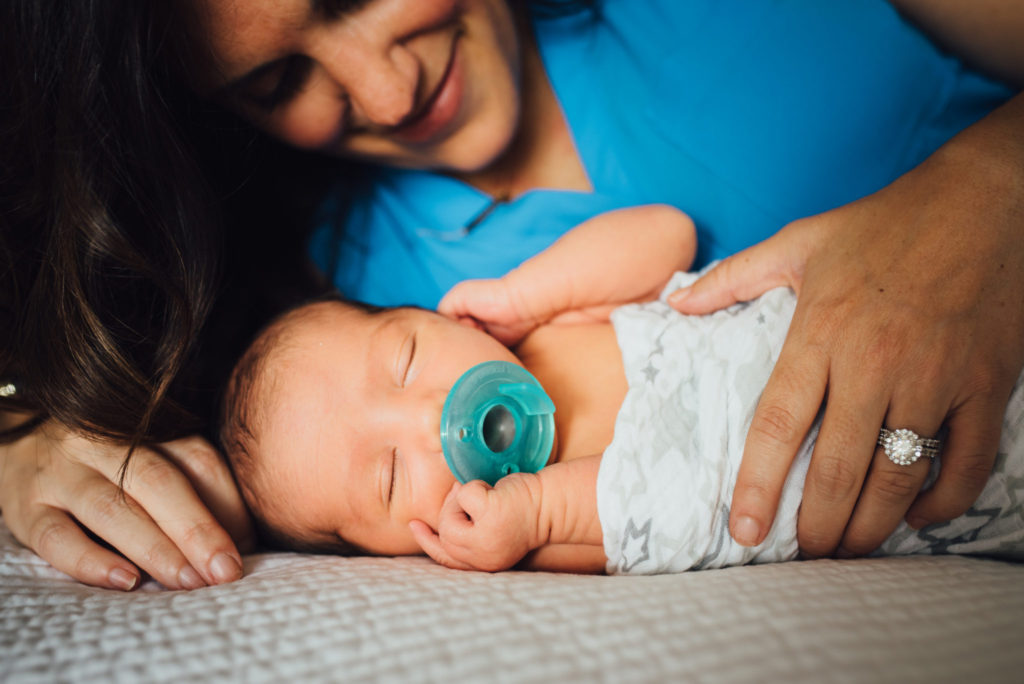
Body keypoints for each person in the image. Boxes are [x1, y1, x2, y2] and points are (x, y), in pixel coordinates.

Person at [2, 0, 1023, 589]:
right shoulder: (327, 290)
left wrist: (989, 187)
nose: (387, 95)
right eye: (277, 85)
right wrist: (26, 435)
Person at [218, 207, 1024, 573]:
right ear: (403, 543)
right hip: (930, 478)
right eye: (389, 475)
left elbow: (667, 236)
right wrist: (526, 517)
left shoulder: (546, 324)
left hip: (909, 320)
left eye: (405, 360)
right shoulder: (535, 521)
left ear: (443, 313)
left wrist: (528, 293)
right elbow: (647, 524)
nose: (430, 414)